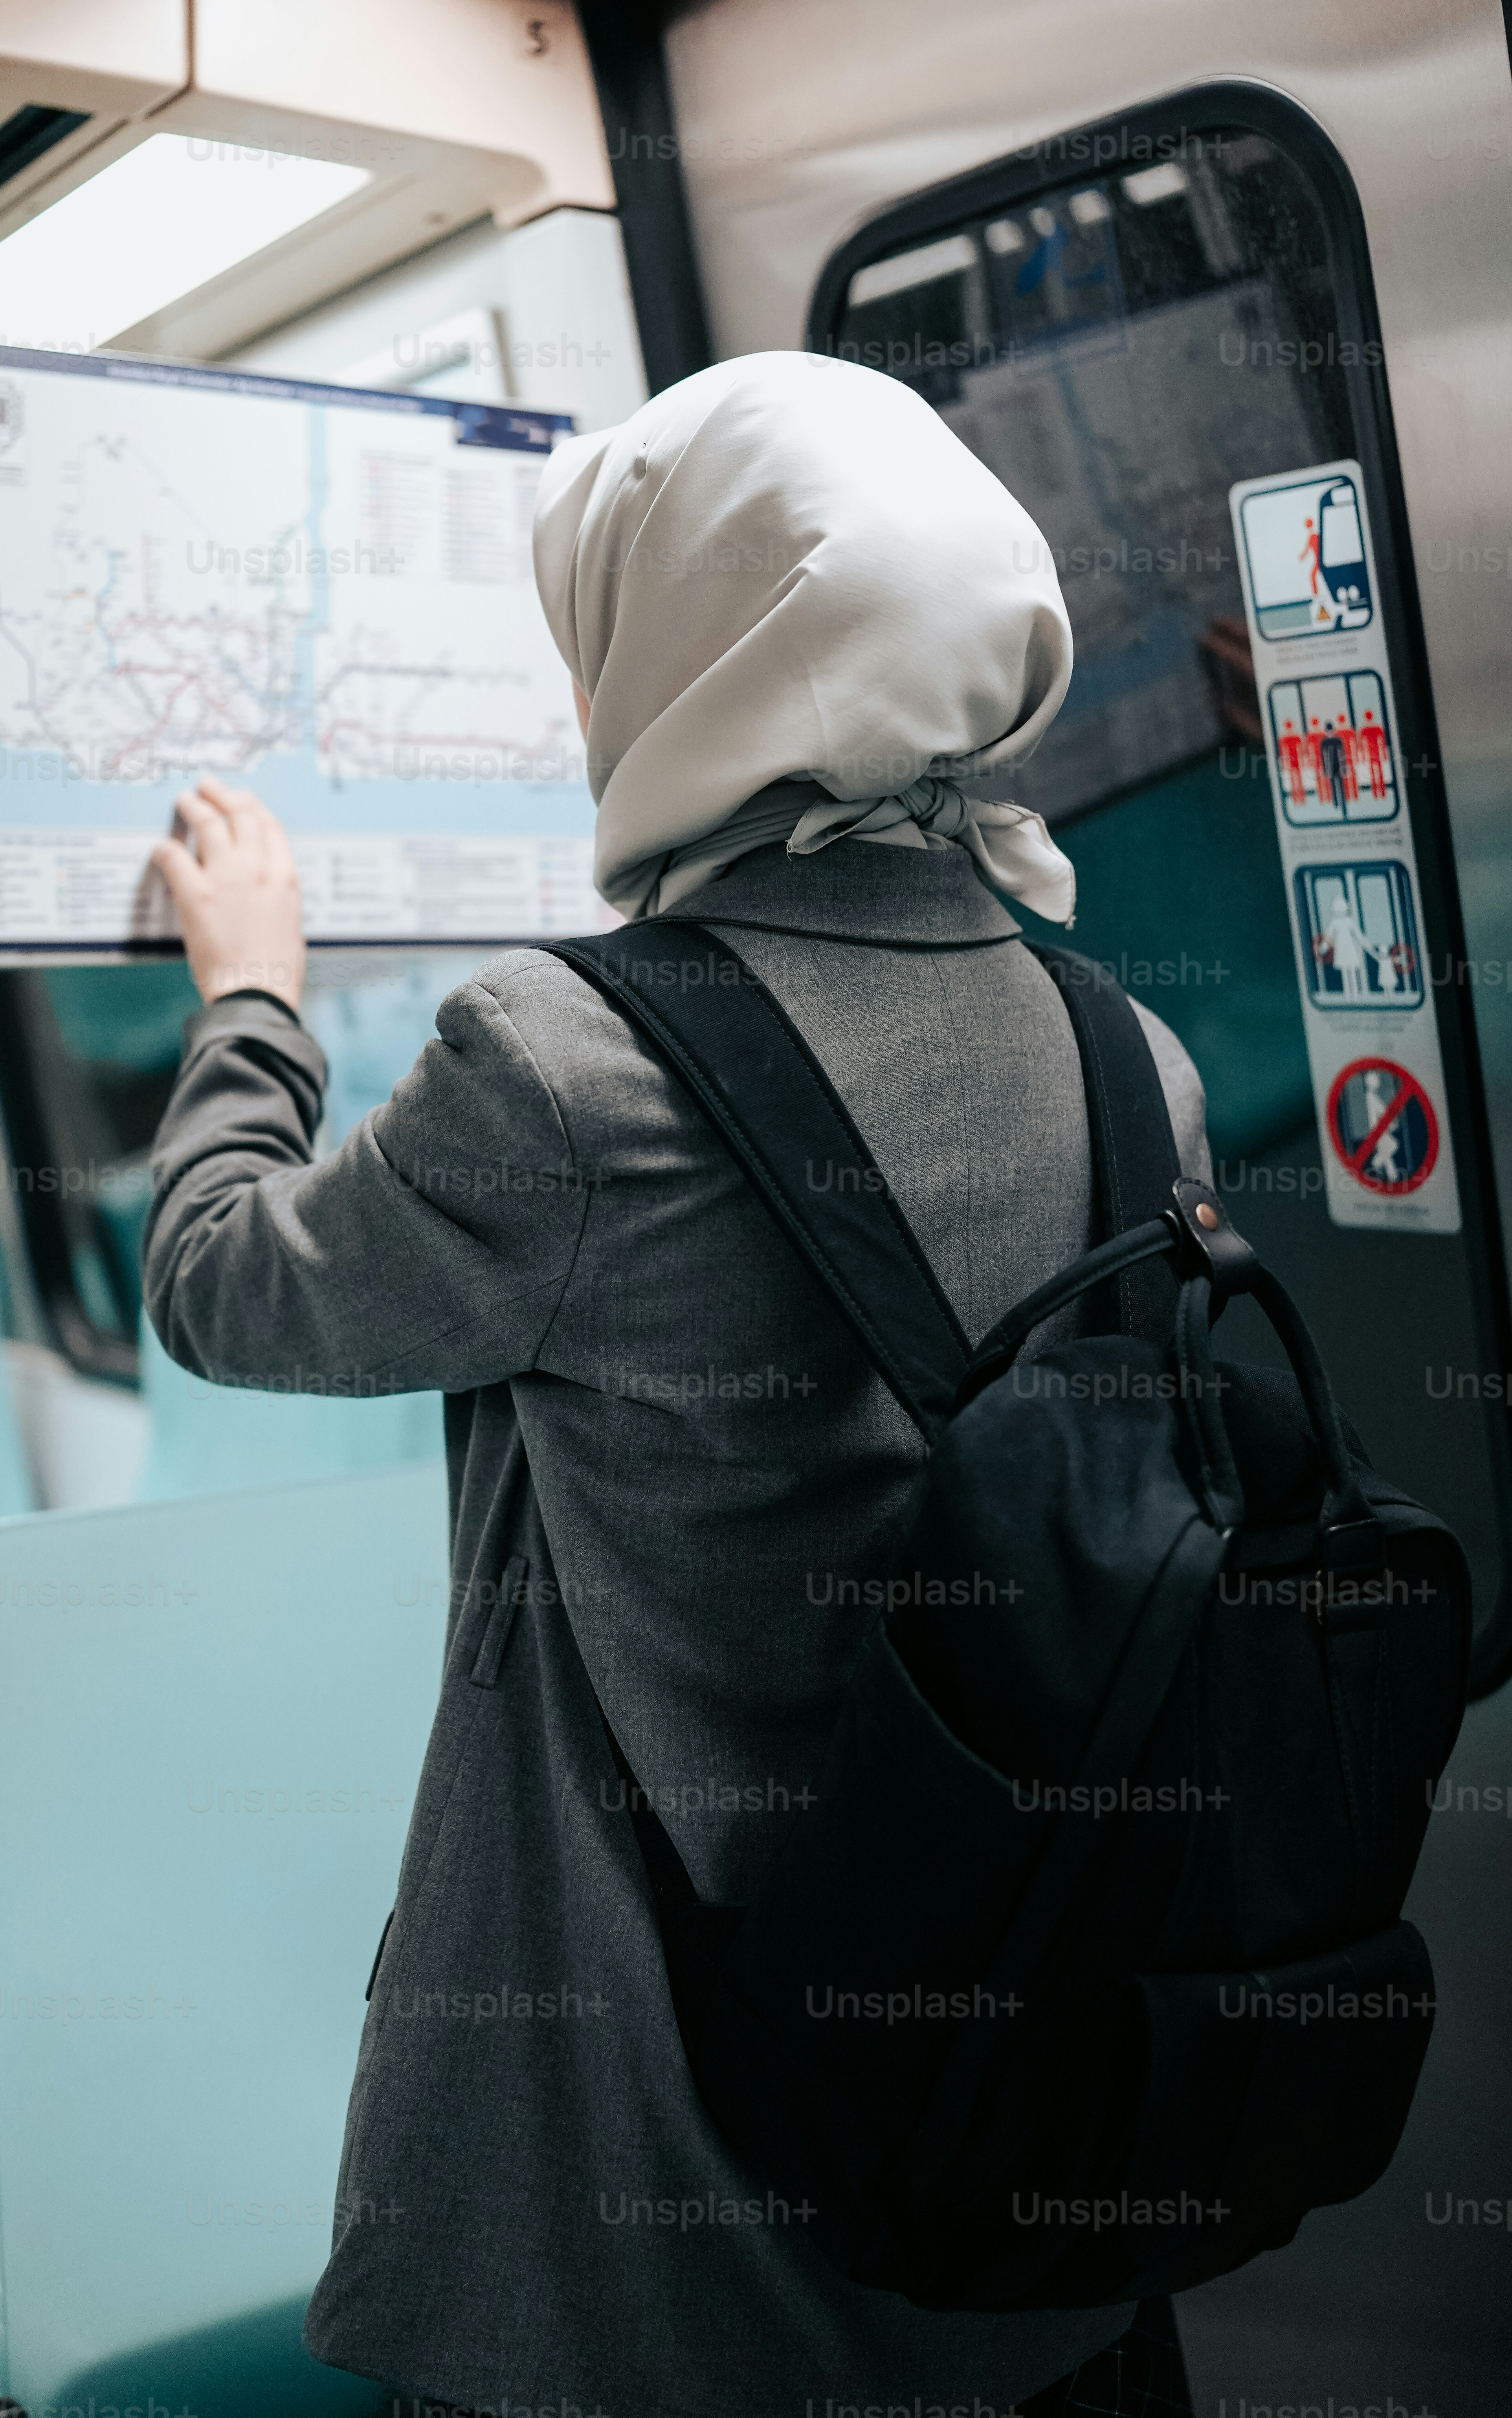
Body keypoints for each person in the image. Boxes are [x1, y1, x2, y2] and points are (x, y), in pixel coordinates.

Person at [142, 352, 1212, 2418]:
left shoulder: (568, 1063)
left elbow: (223, 1287)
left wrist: (250, 999)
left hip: (674, 2179)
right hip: (1035, 2112)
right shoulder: (1126, 1056)